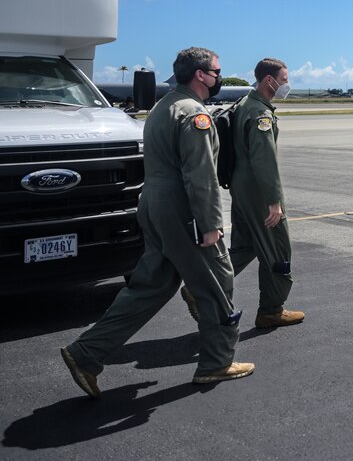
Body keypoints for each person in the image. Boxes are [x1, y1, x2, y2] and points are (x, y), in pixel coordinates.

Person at [61, 48, 253, 397]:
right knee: (216, 279)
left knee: (151, 285)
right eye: (216, 71)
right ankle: (217, 362)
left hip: (153, 203)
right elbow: (201, 176)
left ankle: (86, 353)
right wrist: (210, 223)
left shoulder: (164, 107)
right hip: (182, 208)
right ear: (200, 75)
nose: (219, 77)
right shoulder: (195, 115)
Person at [229, 58, 304, 328]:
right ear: (268, 80)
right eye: (283, 79)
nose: (286, 84)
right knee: (278, 250)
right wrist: (274, 202)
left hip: (241, 188)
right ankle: (272, 309)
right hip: (259, 191)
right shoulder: (260, 113)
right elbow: (264, 161)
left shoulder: (244, 104)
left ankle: (201, 287)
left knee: (245, 245)